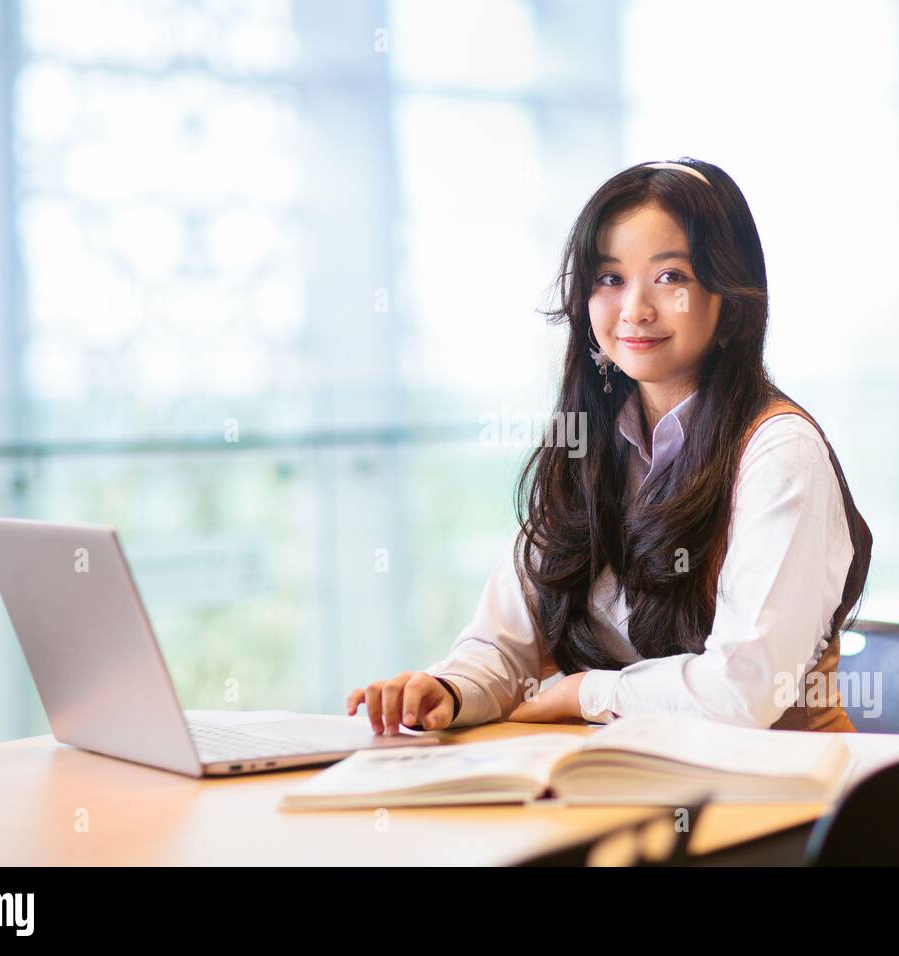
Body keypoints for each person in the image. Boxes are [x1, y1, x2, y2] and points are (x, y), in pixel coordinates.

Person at [347, 157, 872, 736]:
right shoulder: (588, 443)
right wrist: (446, 689)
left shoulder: (779, 451)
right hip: (623, 788)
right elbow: (504, 644)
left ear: (730, 300)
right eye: (610, 278)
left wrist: (585, 691)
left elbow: (743, 691)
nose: (635, 309)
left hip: (780, 802)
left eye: (671, 277)